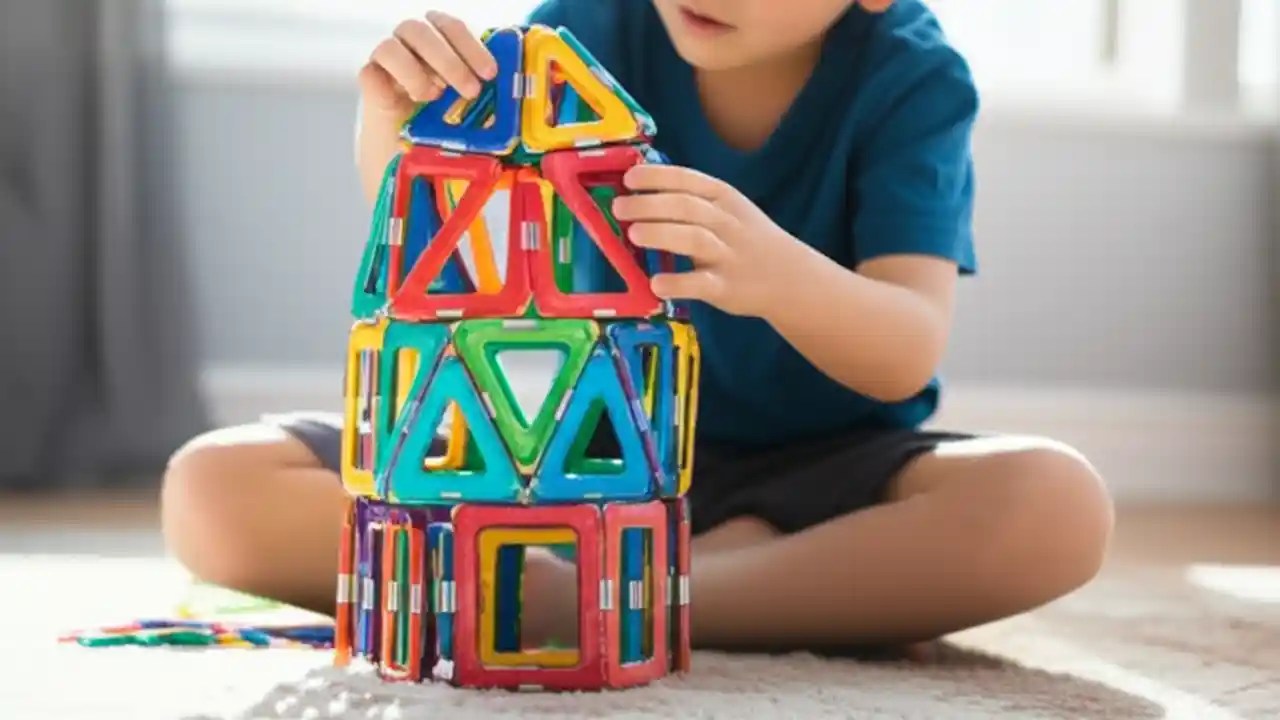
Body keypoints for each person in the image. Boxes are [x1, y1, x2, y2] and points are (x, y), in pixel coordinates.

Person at [161, 0, 1114, 655]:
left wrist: (778, 273)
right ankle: (636, 594)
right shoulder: (584, 29)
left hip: (812, 467)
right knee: (212, 484)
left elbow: (905, 345)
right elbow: (451, 269)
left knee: (1057, 506)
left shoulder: (914, 79)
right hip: (567, 461)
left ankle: (618, 598)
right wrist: (392, 128)